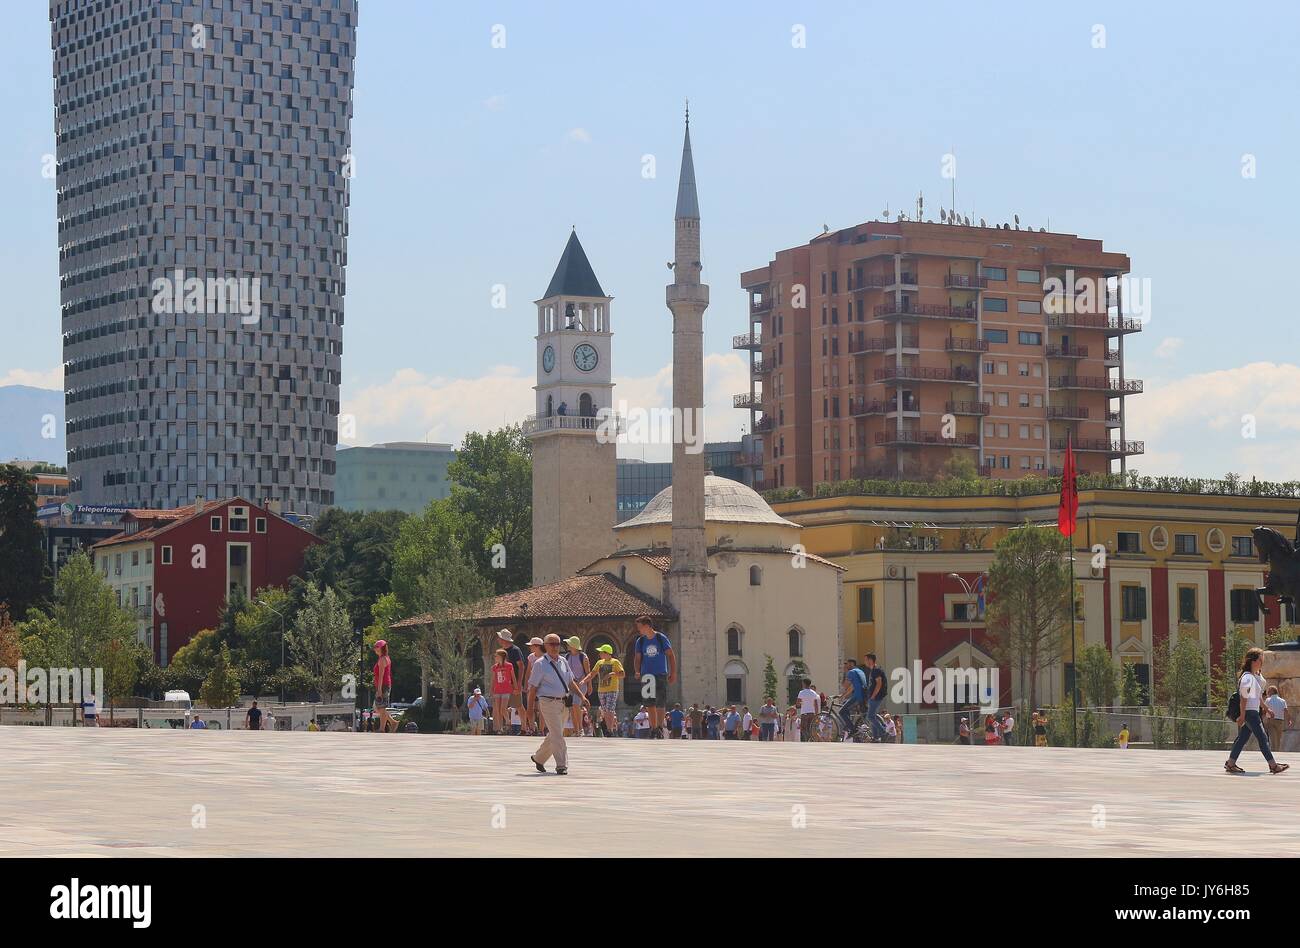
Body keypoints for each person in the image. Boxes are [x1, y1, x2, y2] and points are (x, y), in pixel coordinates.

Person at [527, 633, 590, 775]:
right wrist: (530, 710)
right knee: (557, 734)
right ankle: (562, 765)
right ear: (545, 646)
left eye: (558, 644)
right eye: (552, 644)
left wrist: (581, 696)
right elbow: (533, 688)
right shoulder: (540, 664)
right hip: (548, 702)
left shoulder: (563, 661)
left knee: (555, 734)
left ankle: (539, 758)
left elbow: (570, 681)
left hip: (563, 703)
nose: (555, 647)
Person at [1225, 647, 1289, 775]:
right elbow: (1244, 697)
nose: (1262, 663)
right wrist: (1242, 715)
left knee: (1243, 738)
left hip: (1252, 711)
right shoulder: (1247, 678)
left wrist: (1266, 708)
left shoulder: (1253, 677)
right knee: (1262, 737)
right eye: (1261, 660)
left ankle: (1231, 763)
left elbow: (1257, 697)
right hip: (1250, 713)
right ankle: (1273, 765)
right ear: (1253, 661)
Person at [633, 615, 676, 738]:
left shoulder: (660, 638)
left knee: (660, 702)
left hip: (660, 673)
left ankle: (660, 727)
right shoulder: (640, 641)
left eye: (640, 627)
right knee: (649, 703)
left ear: (647, 626)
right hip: (647, 674)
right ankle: (653, 728)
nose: (639, 629)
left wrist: (673, 673)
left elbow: (671, 655)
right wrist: (637, 670)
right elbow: (637, 658)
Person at [584, 643, 625, 737]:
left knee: (610, 709)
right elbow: (592, 673)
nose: (600, 654)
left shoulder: (615, 662)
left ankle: (609, 730)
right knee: (605, 710)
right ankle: (608, 729)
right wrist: (584, 680)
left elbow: (622, 674)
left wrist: (612, 674)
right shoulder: (599, 662)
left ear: (607, 653)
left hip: (612, 689)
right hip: (601, 690)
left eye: (601, 652)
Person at [497, 630, 527, 729]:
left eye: (500, 638)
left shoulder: (515, 650)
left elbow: (521, 666)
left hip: (513, 683)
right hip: (504, 683)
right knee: (502, 706)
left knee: (518, 705)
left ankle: (524, 727)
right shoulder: (502, 651)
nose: (498, 640)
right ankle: (505, 725)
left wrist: (519, 683)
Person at [564, 637, 592, 737]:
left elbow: (588, 673)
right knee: (571, 707)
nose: (567, 645)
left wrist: (589, 685)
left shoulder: (583, 657)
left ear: (574, 646)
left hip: (581, 684)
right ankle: (576, 730)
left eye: (569, 643)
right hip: (571, 684)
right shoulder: (567, 656)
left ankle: (580, 729)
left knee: (576, 704)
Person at [838, 659, 867, 741]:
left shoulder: (851, 672)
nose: (846, 666)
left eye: (846, 664)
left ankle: (852, 729)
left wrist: (845, 672)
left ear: (851, 664)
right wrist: (843, 696)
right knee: (845, 705)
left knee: (841, 711)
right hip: (864, 696)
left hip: (857, 697)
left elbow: (845, 685)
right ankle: (850, 725)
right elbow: (852, 687)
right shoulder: (860, 672)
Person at [490, 648, 516, 735]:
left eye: (496, 656)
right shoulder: (495, 667)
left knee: (503, 709)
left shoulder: (509, 666)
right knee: (498, 710)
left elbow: (513, 677)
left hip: (506, 689)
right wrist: (491, 690)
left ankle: (508, 722)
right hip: (497, 690)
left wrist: (516, 687)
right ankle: (500, 728)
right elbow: (493, 679)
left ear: (501, 656)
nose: (495, 657)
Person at [372, 640, 396, 733]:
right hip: (384, 684)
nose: (375, 649)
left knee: (381, 707)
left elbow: (381, 675)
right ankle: (393, 722)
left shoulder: (382, 659)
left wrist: (379, 690)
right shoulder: (384, 658)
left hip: (383, 685)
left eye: (377, 647)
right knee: (378, 707)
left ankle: (382, 728)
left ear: (381, 648)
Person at [864, 654, 887, 742]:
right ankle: (875, 737)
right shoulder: (873, 670)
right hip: (874, 697)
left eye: (866, 660)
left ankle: (883, 732)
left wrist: (873, 696)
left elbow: (879, 683)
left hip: (877, 697)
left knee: (870, 716)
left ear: (870, 660)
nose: (865, 662)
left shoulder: (876, 670)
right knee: (872, 716)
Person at [1264, 685, 1289, 753]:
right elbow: (1286, 710)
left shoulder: (1268, 700)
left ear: (1272, 692)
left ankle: (1273, 752)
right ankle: (1277, 751)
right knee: (1278, 738)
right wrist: (1289, 720)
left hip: (1270, 720)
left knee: (1272, 738)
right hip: (1280, 721)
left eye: (1269, 691)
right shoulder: (1282, 701)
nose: (1268, 692)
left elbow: (1264, 710)